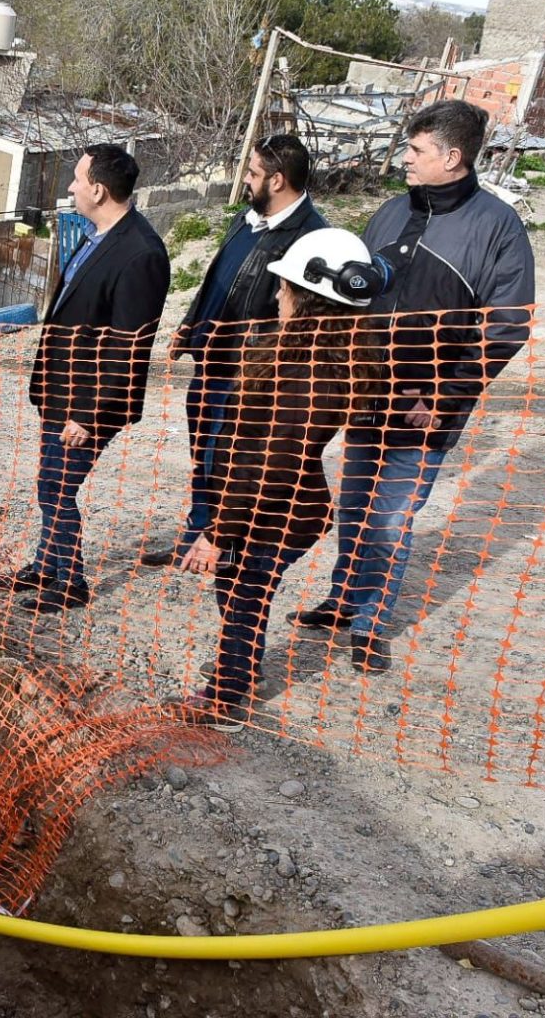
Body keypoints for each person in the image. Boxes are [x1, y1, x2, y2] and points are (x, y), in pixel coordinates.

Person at [290, 100, 536, 672]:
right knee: (354, 507)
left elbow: (508, 327)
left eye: (417, 150)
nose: (405, 158)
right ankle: (344, 598)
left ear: (452, 157)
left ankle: (372, 624)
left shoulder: (498, 228)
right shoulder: (391, 212)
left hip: (427, 410)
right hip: (367, 397)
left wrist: (444, 396)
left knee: (392, 518)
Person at [167, 229, 385, 728]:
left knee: (245, 593)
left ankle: (225, 699)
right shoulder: (310, 355)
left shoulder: (307, 370)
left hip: (271, 511)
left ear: (310, 299)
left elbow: (270, 460)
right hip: (270, 505)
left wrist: (218, 533)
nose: (278, 295)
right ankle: (241, 666)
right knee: (242, 591)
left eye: (285, 288)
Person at [0, 143, 170, 613]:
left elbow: (127, 346)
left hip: (89, 403)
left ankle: (70, 583)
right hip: (63, 390)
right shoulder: (98, 235)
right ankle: (46, 564)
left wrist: (88, 416)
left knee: (57, 487)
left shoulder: (141, 253)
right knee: (48, 482)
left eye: (76, 178)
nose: (70, 187)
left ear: (99, 188)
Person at [142, 134, 328, 568]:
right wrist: (191, 323)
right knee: (202, 461)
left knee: (228, 462)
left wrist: (264, 370)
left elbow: (300, 323)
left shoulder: (311, 239)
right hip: (211, 363)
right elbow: (218, 279)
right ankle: (197, 536)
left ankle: (225, 545)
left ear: (278, 180)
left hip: (247, 375)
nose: (245, 180)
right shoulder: (248, 219)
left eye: (253, 173)